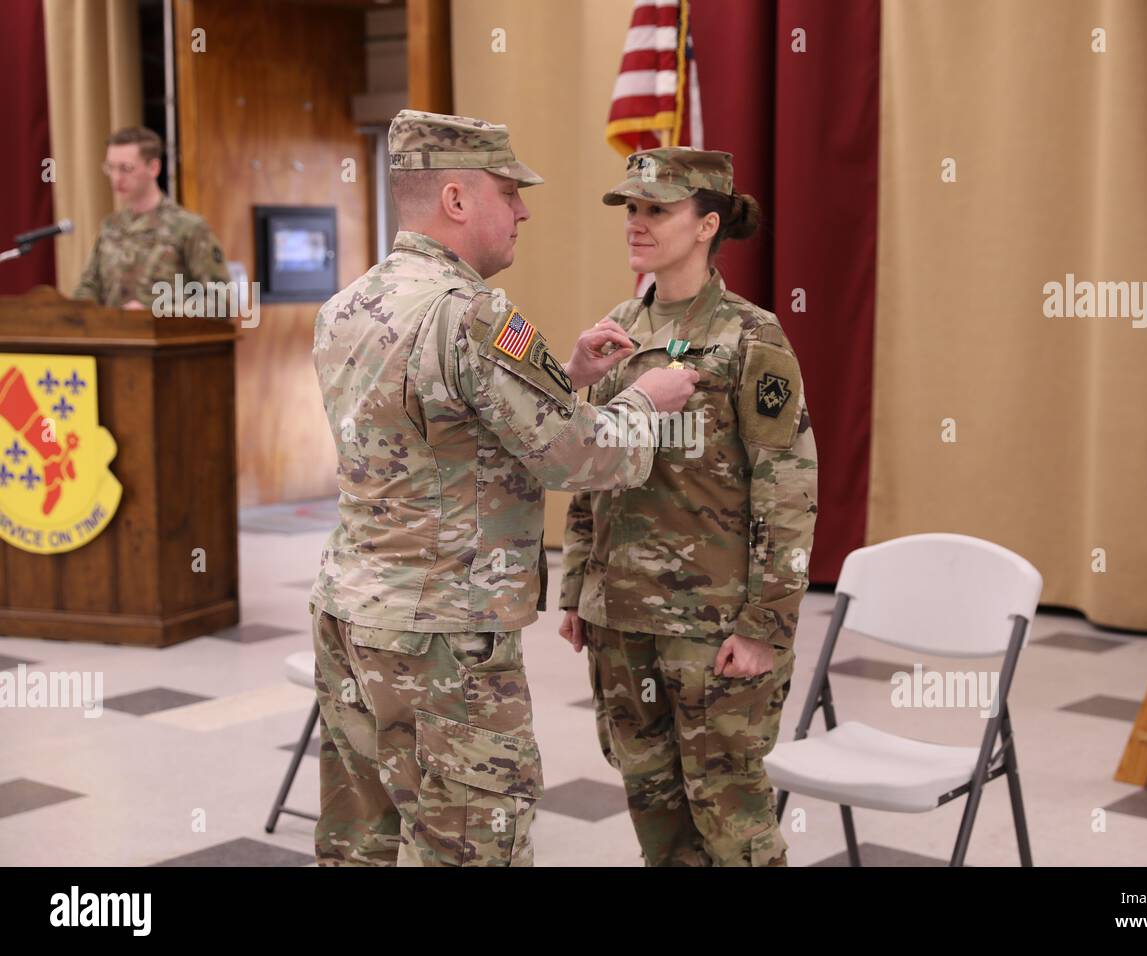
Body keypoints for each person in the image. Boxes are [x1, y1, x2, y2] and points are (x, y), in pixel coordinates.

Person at [309, 111, 697, 867]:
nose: (523, 210)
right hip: (441, 639)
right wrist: (646, 399)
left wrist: (569, 377)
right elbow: (576, 458)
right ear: (457, 200)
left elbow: (435, 427)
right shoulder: (472, 313)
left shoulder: (349, 304)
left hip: (350, 618)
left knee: (364, 845)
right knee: (471, 847)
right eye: (510, 191)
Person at [560, 147, 818, 866]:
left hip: (712, 623)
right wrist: (578, 589)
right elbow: (591, 468)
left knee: (730, 813)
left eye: (657, 210)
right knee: (654, 808)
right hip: (622, 617)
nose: (638, 225)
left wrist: (767, 622)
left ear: (707, 225)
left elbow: (789, 488)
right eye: (631, 210)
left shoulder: (750, 335)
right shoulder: (615, 330)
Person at [72, 126, 229, 309]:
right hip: (114, 335)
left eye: (126, 168)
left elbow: (221, 302)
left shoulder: (188, 228)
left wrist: (158, 313)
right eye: (110, 168)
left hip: (167, 335)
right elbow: (88, 287)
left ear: (153, 168)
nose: (116, 178)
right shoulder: (110, 227)